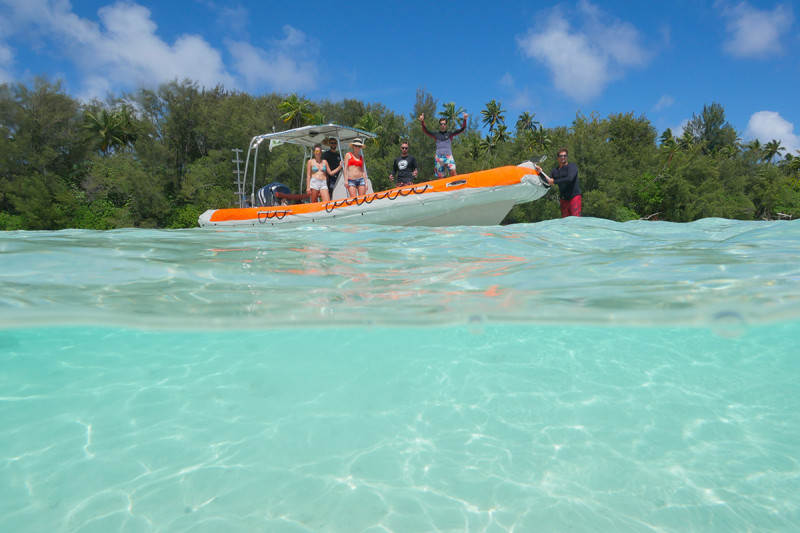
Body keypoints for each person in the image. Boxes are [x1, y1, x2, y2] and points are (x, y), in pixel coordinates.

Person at [419, 112, 467, 177]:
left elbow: (462, 129)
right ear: (439, 125)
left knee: (453, 171)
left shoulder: (450, 133)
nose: (443, 125)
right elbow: (425, 131)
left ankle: (456, 183)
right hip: (439, 157)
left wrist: (465, 119)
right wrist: (422, 121)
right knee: (441, 177)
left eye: (444, 124)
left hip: (448, 156)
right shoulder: (436, 134)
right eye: (441, 124)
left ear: (446, 125)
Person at [536, 148, 581, 217]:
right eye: (561, 156)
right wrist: (540, 172)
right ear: (557, 158)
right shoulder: (554, 171)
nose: (563, 157)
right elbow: (548, 182)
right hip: (563, 199)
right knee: (565, 221)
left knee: (575, 219)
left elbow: (570, 179)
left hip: (574, 197)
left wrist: (555, 181)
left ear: (567, 157)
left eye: (565, 155)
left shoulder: (572, 166)